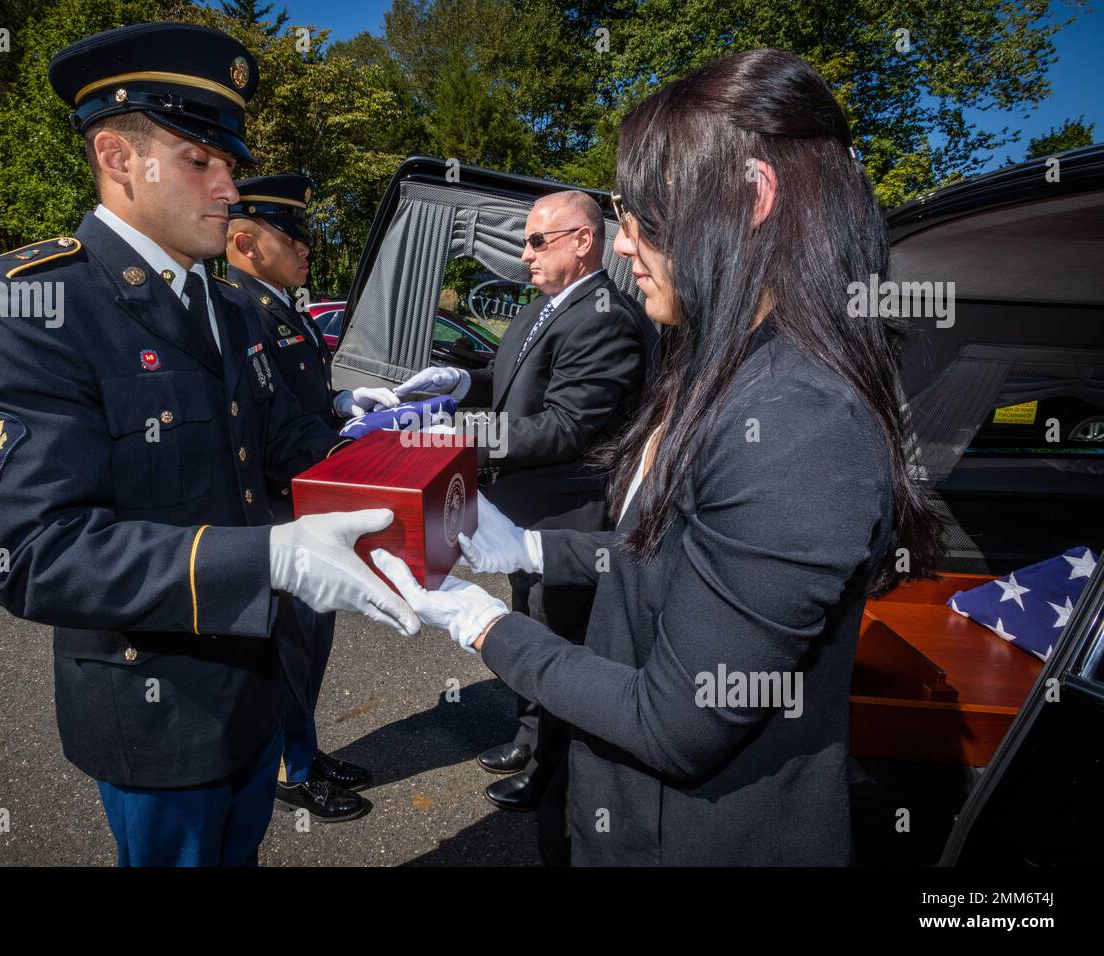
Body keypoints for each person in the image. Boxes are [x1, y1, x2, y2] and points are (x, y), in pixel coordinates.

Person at [374, 47, 943, 865]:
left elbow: (673, 723)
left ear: (751, 196)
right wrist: (530, 549)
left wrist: (476, 621)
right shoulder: (734, 366)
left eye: (644, 215)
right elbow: (674, 559)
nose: (625, 244)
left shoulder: (797, 421)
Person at [0, 22, 418, 867]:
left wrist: (409, 472)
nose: (230, 188)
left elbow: (285, 440)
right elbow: (39, 555)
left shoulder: (229, 306)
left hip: (256, 683)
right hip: (155, 706)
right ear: (117, 158)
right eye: (201, 160)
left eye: (229, 162)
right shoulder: (25, 305)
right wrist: (272, 557)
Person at [400, 191, 648, 835]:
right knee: (529, 621)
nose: (525, 253)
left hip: (568, 515)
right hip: (526, 511)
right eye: (525, 241)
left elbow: (565, 427)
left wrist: (458, 436)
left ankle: (553, 771)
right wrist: (461, 384)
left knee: (558, 640)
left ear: (583, 241)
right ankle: (529, 738)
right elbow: (509, 385)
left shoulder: (605, 318)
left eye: (538, 240)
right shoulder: (544, 307)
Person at [220, 173, 399, 822]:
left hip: (310, 501)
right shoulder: (234, 310)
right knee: (287, 652)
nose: (305, 247)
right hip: (278, 509)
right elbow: (264, 428)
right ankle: (290, 770)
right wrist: (347, 450)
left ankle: (306, 749)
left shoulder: (280, 306)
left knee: (311, 644)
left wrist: (343, 403)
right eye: (290, 236)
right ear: (244, 243)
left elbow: (299, 397)